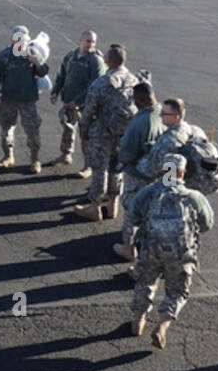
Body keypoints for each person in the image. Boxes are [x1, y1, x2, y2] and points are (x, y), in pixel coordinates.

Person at [127, 153, 215, 349]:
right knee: (177, 290)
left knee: (145, 282)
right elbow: (207, 223)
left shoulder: (148, 193)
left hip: (150, 249)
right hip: (180, 254)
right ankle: (162, 326)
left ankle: (138, 319)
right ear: (182, 173)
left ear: (162, 170)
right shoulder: (193, 197)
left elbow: (132, 216)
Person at [74, 44, 138, 221]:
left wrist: (83, 129)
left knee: (99, 168)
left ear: (109, 61)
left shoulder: (101, 83)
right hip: (125, 133)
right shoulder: (135, 81)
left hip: (103, 133)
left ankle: (95, 207)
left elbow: (89, 110)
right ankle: (113, 205)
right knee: (117, 168)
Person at [0, 24, 50, 173]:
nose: (20, 43)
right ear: (12, 40)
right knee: (7, 130)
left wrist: (37, 63)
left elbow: (43, 71)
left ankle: (35, 160)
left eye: (23, 40)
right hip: (8, 100)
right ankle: (8, 157)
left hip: (28, 101)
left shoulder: (32, 53)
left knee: (32, 131)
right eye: (17, 40)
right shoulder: (3, 56)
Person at [113, 81, 164, 261]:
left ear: (140, 100)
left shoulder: (140, 122)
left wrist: (121, 161)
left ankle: (128, 246)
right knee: (151, 209)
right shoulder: (163, 114)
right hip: (157, 175)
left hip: (138, 174)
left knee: (131, 208)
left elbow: (127, 153)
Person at [48, 30, 105, 173]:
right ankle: (66, 154)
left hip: (86, 107)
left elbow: (94, 85)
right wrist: (56, 91)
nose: (90, 44)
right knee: (67, 127)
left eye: (92, 41)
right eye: (87, 41)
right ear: (80, 40)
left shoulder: (96, 61)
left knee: (85, 135)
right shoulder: (71, 56)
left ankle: (88, 166)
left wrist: (78, 102)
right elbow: (61, 75)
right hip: (68, 102)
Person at [136, 98, 212, 187]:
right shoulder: (196, 130)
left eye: (164, 114)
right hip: (202, 180)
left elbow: (150, 169)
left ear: (176, 116)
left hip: (185, 184)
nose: (160, 115)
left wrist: (138, 161)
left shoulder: (170, 139)